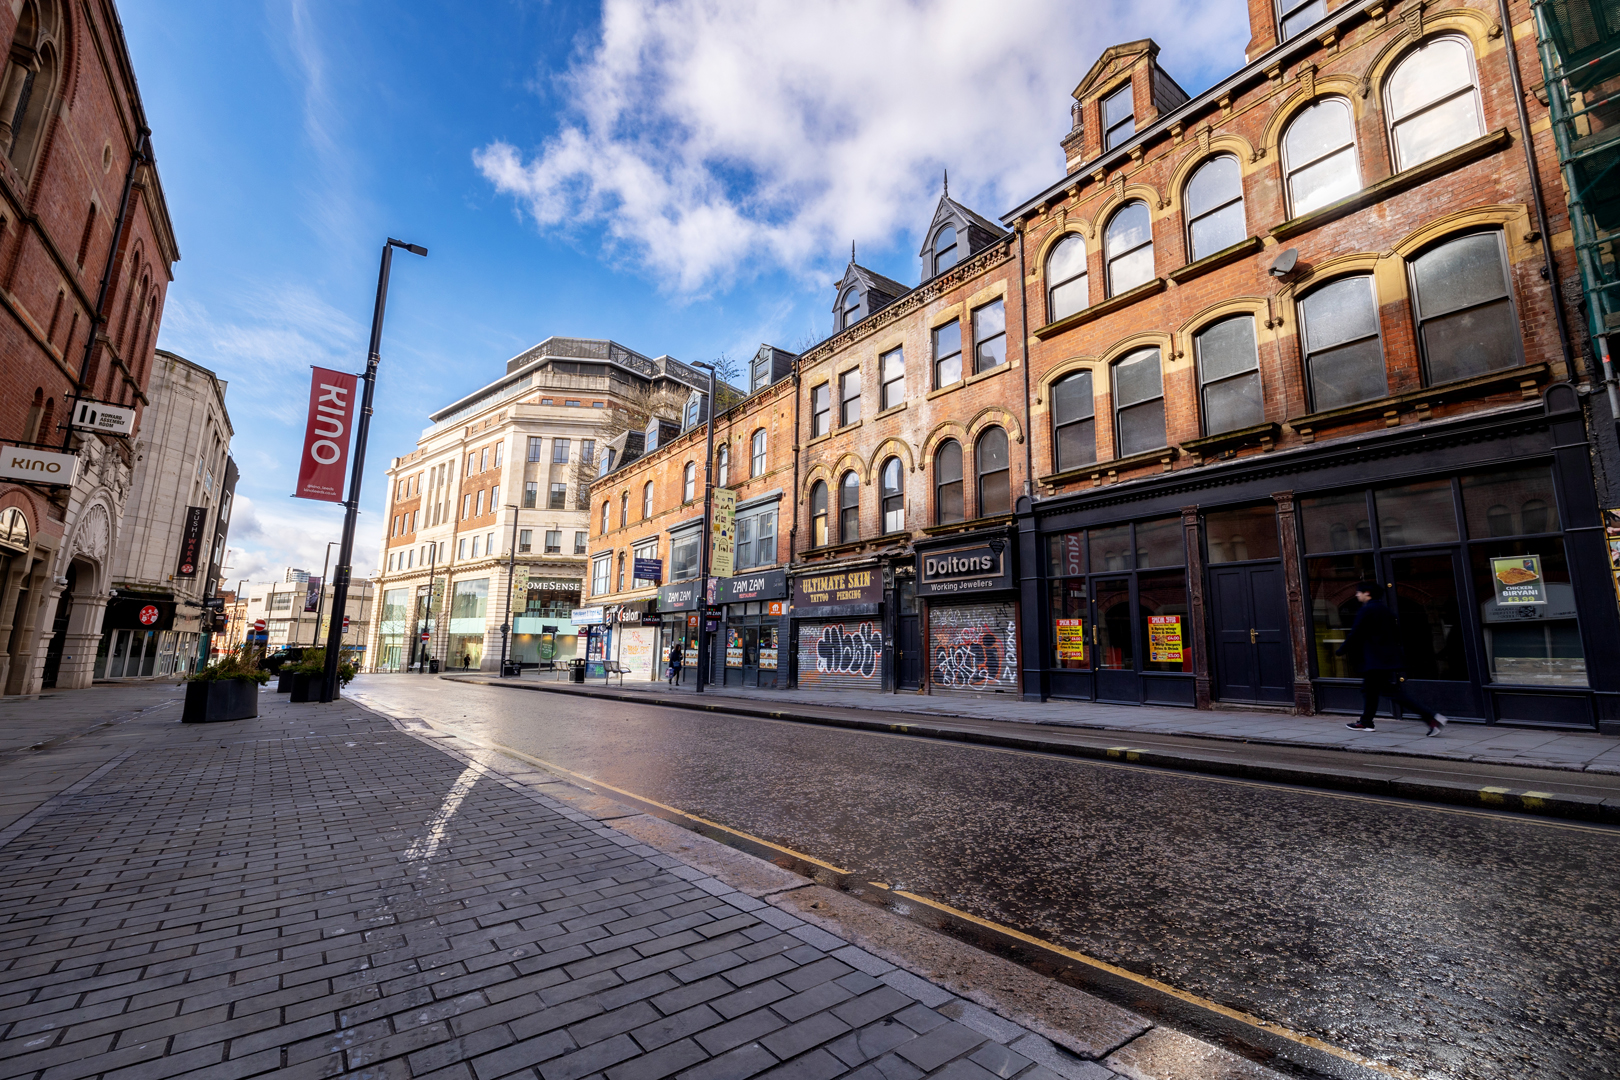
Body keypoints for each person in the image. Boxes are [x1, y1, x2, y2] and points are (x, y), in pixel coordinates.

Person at [1337, 582, 1450, 736]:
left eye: (1359, 592)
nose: (1357, 595)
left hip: (1375, 660)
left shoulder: (1367, 610)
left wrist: (1342, 650)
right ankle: (1366, 722)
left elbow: (1356, 633)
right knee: (1370, 690)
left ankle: (1431, 718)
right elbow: (1396, 635)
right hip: (1384, 659)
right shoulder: (1385, 610)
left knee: (1390, 693)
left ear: (1367, 593)